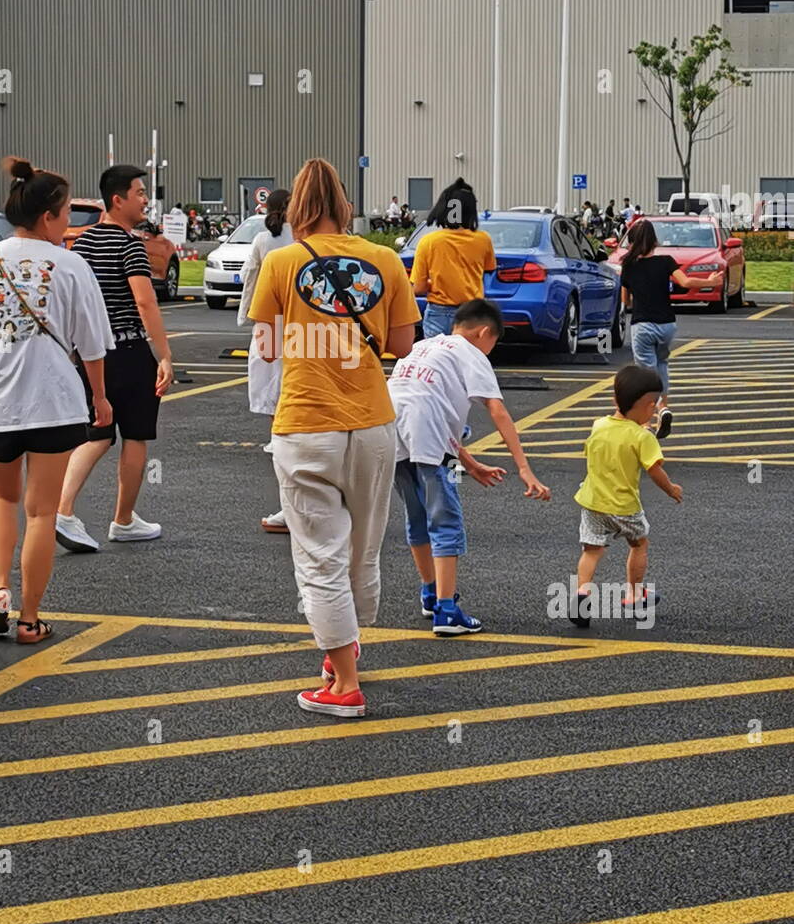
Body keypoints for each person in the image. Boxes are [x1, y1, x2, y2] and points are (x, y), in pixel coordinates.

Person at [250, 157, 421, 718]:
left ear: (296, 207)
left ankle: (344, 684)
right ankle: (346, 649)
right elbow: (400, 343)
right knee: (361, 549)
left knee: (318, 556)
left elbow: (269, 347)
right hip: (373, 423)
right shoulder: (384, 259)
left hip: (306, 423)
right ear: (346, 205)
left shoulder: (280, 262)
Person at [0, 157, 114, 644]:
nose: (67, 225)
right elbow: (92, 345)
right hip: (53, 403)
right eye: (65, 216)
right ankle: (31, 619)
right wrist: (100, 397)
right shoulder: (72, 265)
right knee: (41, 512)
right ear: (49, 216)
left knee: (1, 497)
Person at [389, 298, 551, 635]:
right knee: (446, 516)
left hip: (391, 431)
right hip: (427, 433)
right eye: (493, 344)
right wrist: (524, 467)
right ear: (484, 332)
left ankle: (431, 592)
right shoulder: (471, 352)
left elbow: (429, 412)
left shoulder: (425, 346)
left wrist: (471, 464)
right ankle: (447, 612)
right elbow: (497, 410)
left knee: (417, 514)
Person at [55, 165, 174, 551]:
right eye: (139, 193)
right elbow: (144, 299)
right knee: (136, 435)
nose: (145, 199)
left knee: (97, 433)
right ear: (118, 200)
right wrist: (165, 355)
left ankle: (64, 508)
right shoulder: (129, 245)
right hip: (129, 350)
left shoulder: (83, 243)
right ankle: (122, 519)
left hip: (92, 354)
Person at [571, 363, 683, 627]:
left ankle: (582, 593)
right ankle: (634, 594)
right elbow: (655, 471)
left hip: (593, 502)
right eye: (653, 405)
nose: (654, 410)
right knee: (639, 544)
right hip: (624, 506)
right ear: (646, 407)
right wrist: (671, 489)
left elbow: (590, 454)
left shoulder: (598, 425)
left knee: (592, 550)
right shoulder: (642, 437)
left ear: (615, 399)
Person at [620, 217, 723, 440]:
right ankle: (663, 409)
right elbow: (685, 283)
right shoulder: (666, 261)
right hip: (667, 325)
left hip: (643, 325)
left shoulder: (628, 266)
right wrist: (711, 282)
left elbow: (625, 301)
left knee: (646, 374)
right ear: (655, 241)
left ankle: (647, 421)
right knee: (662, 365)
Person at [237, 187, 294, 533]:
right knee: (292, 373)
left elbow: (248, 276)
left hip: (269, 316)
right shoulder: (300, 237)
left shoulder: (262, 239)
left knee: (270, 372)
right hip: (299, 318)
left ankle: (278, 429)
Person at [410, 178, 497, 338]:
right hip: (472, 312)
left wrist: (433, 282)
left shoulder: (428, 242)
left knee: (437, 359)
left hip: (439, 312)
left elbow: (419, 288)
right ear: (471, 211)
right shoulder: (483, 240)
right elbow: (488, 269)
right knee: (467, 360)